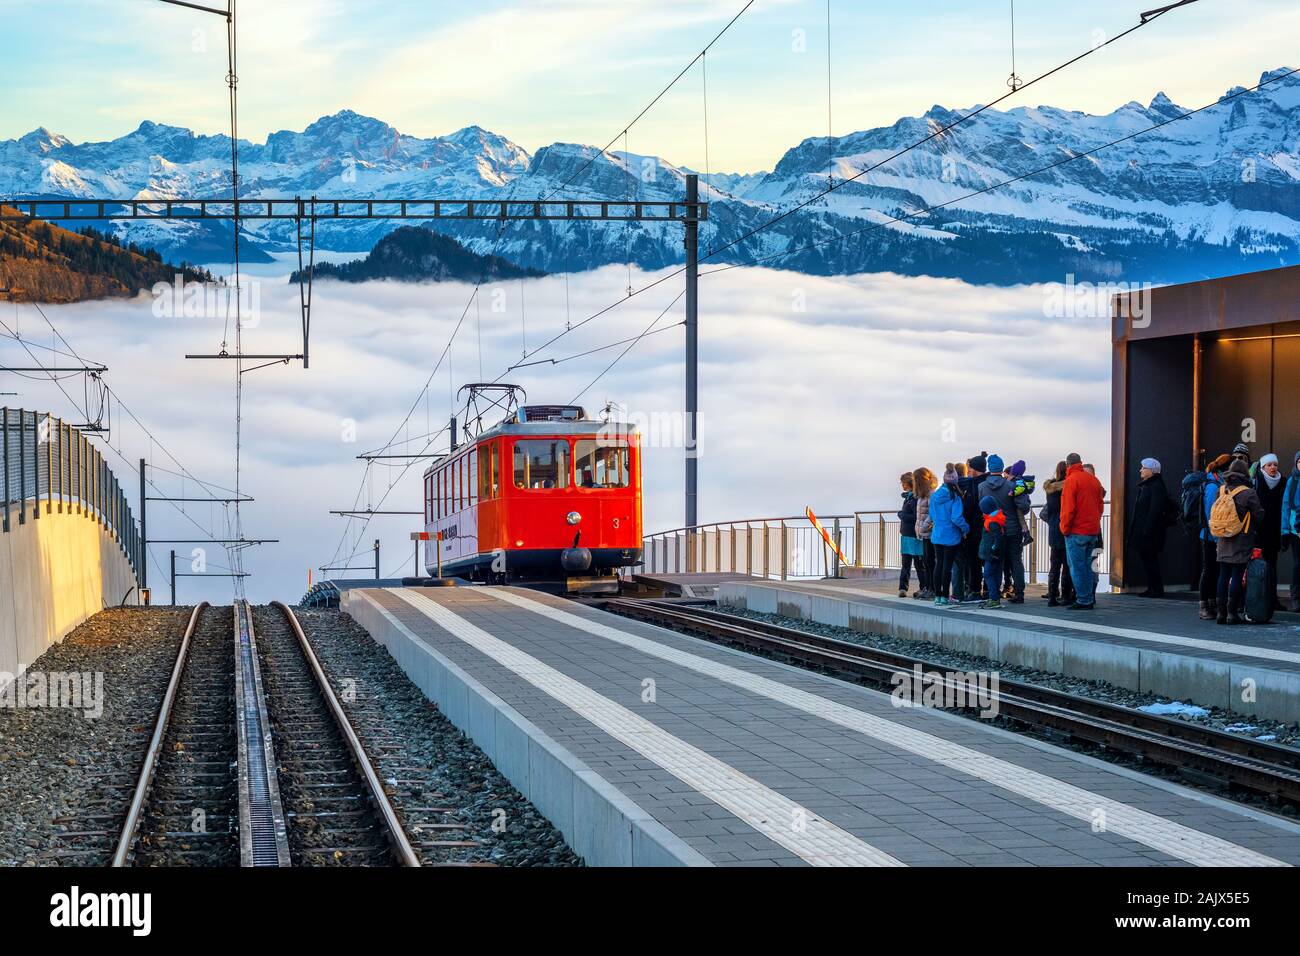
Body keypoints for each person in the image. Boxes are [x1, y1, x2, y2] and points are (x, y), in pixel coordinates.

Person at [1213, 459, 1265, 625]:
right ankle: (1231, 613)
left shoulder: (1221, 490)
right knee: (1236, 575)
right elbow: (1259, 515)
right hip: (1241, 539)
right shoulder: (1248, 492)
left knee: (1223, 575)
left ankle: (1220, 612)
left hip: (1223, 538)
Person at [979, 454, 1031, 603]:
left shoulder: (981, 487)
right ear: (1002, 469)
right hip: (1013, 528)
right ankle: (1019, 593)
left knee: (997, 562)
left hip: (993, 530)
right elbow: (1024, 507)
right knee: (1016, 560)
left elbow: (981, 508)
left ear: (990, 468)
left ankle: (994, 595)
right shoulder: (1011, 485)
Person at [1060, 452, 1105, 610]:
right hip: (1092, 530)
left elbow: (1068, 509)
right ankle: (1088, 597)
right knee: (1087, 565)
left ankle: (1084, 599)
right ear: (1080, 462)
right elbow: (1100, 506)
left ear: (1068, 465)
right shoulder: (1094, 480)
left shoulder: (1071, 481)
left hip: (1076, 531)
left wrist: (1065, 528)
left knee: (1077, 567)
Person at [1127, 457, 1170, 598]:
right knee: (1148, 560)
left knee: (1150, 560)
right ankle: (1152, 587)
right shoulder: (1150, 485)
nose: (1141, 469)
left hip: (1149, 533)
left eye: (1143, 467)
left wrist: (1147, 530)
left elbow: (1155, 510)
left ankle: (1156, 589)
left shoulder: (1155, 486)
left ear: (1151, 471)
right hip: (1146, 532)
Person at [929, 465, 970, 606]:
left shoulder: (934, 496)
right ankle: (945, 595)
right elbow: (956, 518)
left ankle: (938, 596)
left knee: (938, 565)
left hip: (937, 534)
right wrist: (966, 528)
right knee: (947, 566)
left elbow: (932, 515)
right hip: (951, 536)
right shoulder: (955, 497)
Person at [1198, 454, 1231, 620]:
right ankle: (1204, 605)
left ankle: (1210, 604)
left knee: (1215, 570)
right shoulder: (1212, 486)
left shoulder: (1217, 483)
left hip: (1214, 535)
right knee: (1209, 570)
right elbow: (1211, 514)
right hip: (1210, 536)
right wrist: (1218, 538)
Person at [1253, 453, 1287, 611]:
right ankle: (1257, 599)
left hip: (1274, 532)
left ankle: (1273, 599)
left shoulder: (1284, 483)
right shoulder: (1256, 482)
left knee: (1272, 567)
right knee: (1257, 567)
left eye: (1275, 464)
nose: (1273, 467)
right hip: (1258, 532)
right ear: (1263, 467)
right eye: (1269, 465)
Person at [1040, 460, 1075, 607]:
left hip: (1054, 529)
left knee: (1054, 566)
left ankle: (1052, 597)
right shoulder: (1068, 487)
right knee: (1067, 565)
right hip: (1067, 528)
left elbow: (1048, 511)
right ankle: (1066, 595)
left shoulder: (1050, 489)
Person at [958, 453, 988, 598]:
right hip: (989, 527)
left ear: (975, 469)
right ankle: (989, 590)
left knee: (974, 560)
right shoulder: (988, 482)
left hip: (974, 528)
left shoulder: (973, 486)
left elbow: (968, 507)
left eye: (970, 469)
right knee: (987, 560)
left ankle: (975, 590)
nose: (968, 471)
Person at [897, 472, 927, 598]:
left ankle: (922, 587)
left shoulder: (914, 499)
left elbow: (916, 517)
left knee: (917, 564)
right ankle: (903, 588)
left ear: (909, 483)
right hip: (907, 535)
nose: (902, 485)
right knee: (907, 563)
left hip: (912, 535)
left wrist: (901, 515)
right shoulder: (909, 497)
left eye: (903, 483)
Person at [978, 495, 1006, 609]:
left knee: (988, 574)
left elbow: (998, 538)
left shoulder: (992, 522)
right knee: (995, 574)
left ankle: (994, 598)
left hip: (991, 554)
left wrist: (993, 550)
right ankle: (994, 598)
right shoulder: (996, 518)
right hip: (996, 554)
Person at [913, 467, 937, 600]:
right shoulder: (922, 495)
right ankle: (928, 587)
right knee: (926, 562)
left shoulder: (931, 494)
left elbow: (932, 514)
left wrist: (923, 527)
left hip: (929, 532)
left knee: (930, 562)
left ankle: (932, 588)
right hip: (924, 533)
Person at [1283, 451, 1300, 612]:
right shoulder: (1292, 481)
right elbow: (1286, 506)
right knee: (1298, 564)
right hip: (1297, 530)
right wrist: (1285, 530)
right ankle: (1296, 598)